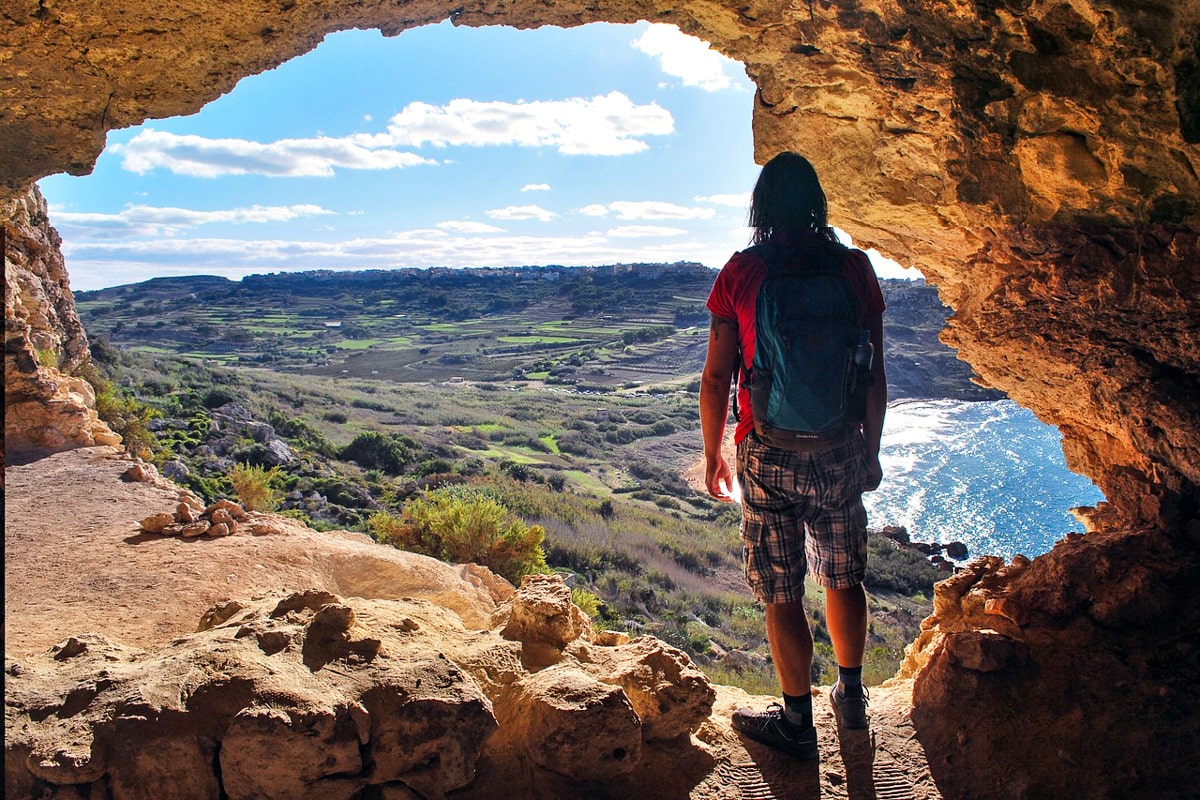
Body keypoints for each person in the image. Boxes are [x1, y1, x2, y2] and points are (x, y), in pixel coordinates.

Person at [699, 152, 887, 759]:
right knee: (843, 572)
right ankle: (851, 698)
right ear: (817, 203)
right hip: (839, 449)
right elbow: (874, 374)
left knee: (782, 589)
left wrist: (714, 454)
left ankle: (797, 725)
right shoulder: (853, 269)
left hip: (769, 452)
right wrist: (872, 451)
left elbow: (714, 378)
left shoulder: (742, 272)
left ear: (760, 207)